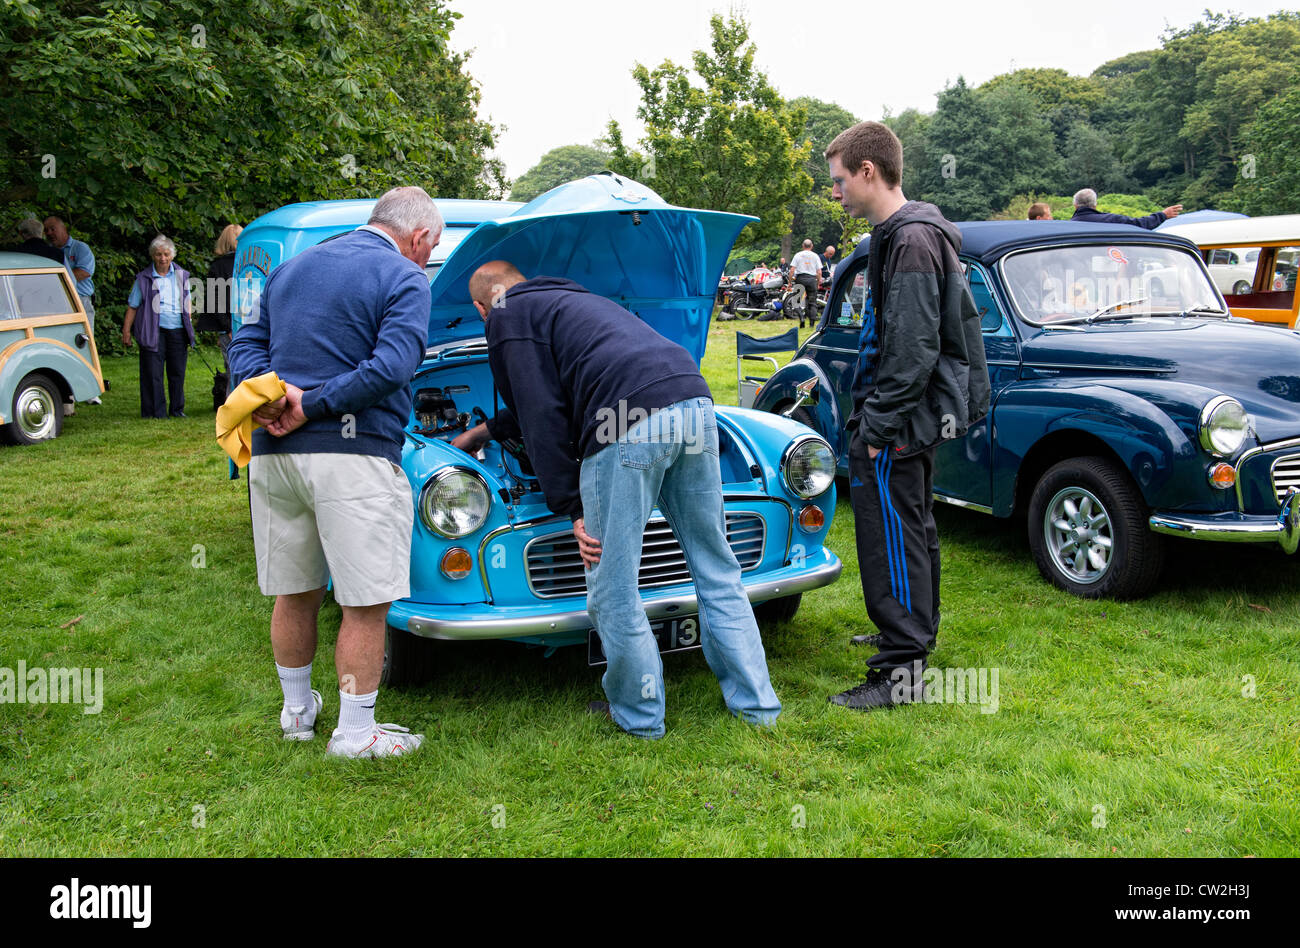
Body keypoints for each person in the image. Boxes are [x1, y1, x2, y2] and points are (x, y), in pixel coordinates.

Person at [451, 261, 781, 740]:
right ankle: (758, 709)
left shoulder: (505, 318)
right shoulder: (576, 299)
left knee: (613, 588)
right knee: (717, 566)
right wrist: (482, 432)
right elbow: (537, 405)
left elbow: (543, 417)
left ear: (482, 307)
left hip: (626, 425)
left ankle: (639, 717)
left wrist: (572, 506)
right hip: (692, 401)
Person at [226, 186, 440, 759]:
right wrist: (311, 403)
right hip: (355, 455)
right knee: (365, 602)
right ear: (417, 238)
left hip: (274, 456)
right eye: (432, 248)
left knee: (294, 591)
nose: (426, 259)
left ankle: (297, 713)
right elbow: (393, 366)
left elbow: (244, 342)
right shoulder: (404, 276)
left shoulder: (292, 269)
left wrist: (267, 397)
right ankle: (354, 734)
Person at [824, 120, 990, 710]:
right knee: (913, 528)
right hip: (908, 416)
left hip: (901, 420)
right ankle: (911, 634)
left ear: (869, 171)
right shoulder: (906, 233)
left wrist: (876, 427)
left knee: (891, 532)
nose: (836, 193)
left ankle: (901, 671)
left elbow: (914, 347)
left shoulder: (912, 239)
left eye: (840, 180)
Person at [121, 236, 195, 418]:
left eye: (166, 254)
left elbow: (187, 304)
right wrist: (126, 331)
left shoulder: (182, 275)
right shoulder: (143, 278)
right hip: (152, 331)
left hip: (177, 330)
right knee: (152, 373)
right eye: (159, 254)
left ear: (172, 255)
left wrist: (189, 325)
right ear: (153, 256)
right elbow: (133, 306)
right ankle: (155, 412)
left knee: (177, 372)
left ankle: (177, 410)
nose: (163, 258)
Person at [199, 224, 243, 405]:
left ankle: (232, 404)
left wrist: (225, 328)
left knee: (232, 368)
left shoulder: (217, 267)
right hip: (244, 323)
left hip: (229, 326)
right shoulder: (248, 264)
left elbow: (214, 301)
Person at [43, 216, 96, 331]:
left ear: (64, 228)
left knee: (83, 338)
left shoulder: (80, 248)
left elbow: (84, 272)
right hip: (54, 301)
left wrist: (55, 280)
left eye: (52, 229)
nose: (49, 233)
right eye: (46, 230)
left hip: (79, 300)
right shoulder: (47, 251)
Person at [1070, 189, 1182, 229]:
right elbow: (1140, 224)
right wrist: (1162, 215)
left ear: (1075, 205)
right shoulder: (1111, 220)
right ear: (1095, 205)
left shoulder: (1068, 227)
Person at [790, 238, 822, 328]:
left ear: (803, 246)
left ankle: (801, 318)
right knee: (812, 303)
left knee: (796, 301)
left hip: (800, 279)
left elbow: (792, 270)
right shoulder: (815, 256)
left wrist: (789, 282)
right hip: (812, 280)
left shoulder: (798, 255)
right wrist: (818, 283)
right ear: (812, 246)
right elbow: (819, 272)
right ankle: (811, 324)